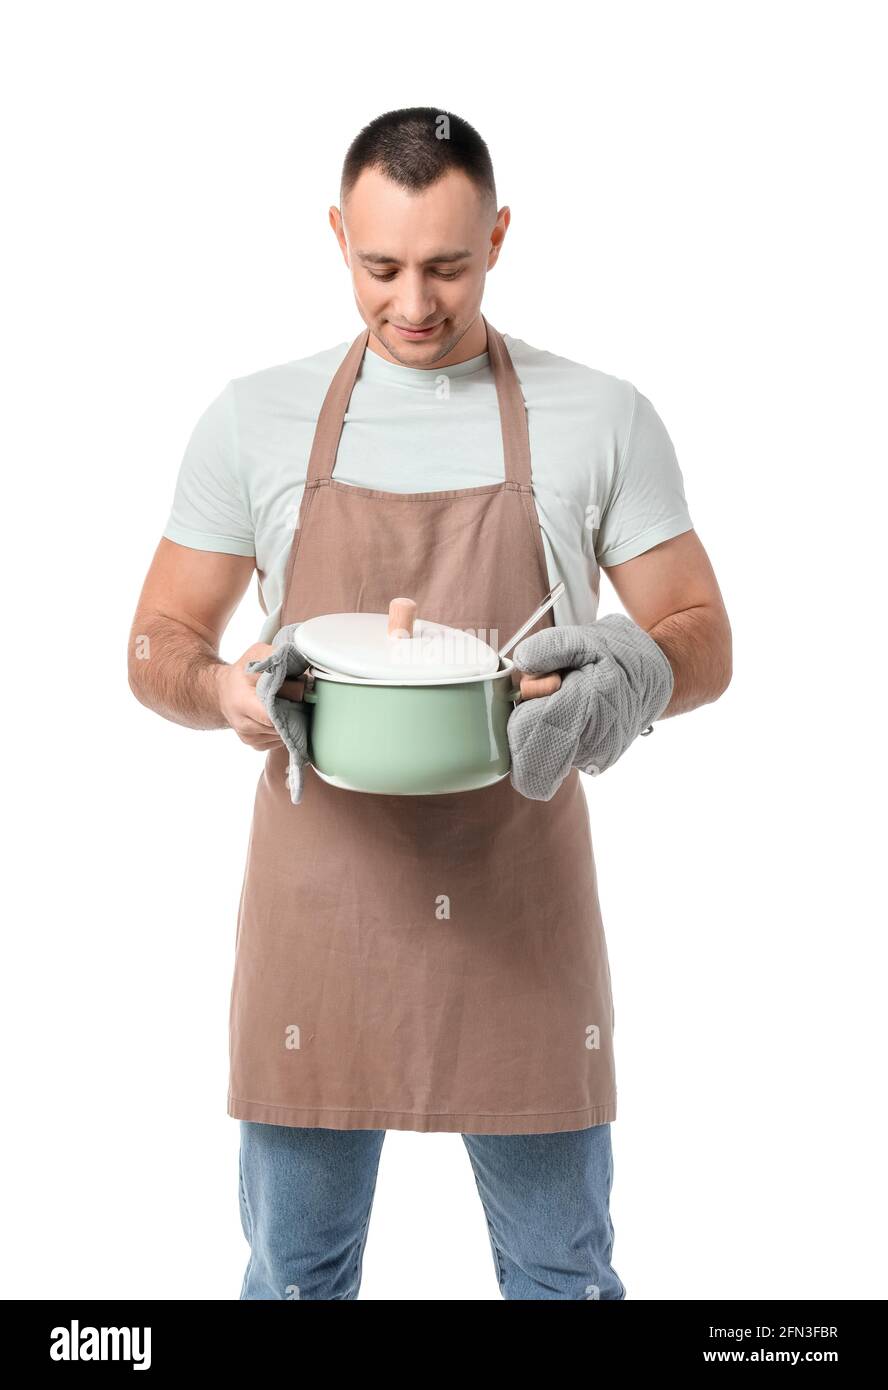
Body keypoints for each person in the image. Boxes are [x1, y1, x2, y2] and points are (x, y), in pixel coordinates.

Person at [127, 106, 732, 1301]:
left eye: (449, 265)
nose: (415, 301)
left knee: (562, 1269)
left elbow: (702, 635)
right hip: (319, 903)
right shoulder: (254, 416)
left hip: (520, 897)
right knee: (295, 1274)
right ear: (337, 235)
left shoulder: (601, 415)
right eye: (382, 265)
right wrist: (223, 693)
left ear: (499, 238)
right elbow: (156, 642)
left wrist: (636, 671)